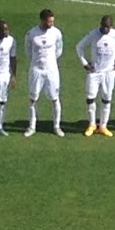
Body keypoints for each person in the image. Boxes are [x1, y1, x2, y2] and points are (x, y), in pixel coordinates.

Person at [76, 15, 115, 137]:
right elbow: (79, 47)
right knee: (90, 98)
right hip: (95, 72)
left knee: (106, 98)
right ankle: (92, 124)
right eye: (103, 26)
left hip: (109, 73)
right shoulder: (93, 34)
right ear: (100, 24)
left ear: (111, 26)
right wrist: (84, 63)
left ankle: (103, 126)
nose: (105, 29)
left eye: (107, 27)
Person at [23, 9, 64, 137]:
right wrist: (38, 62)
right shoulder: (31, 34)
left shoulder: (56, 33)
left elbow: (59, 50)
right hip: (36, 70)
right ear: (42, 20)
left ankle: (57, 126)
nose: (51, 24)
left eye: (52, 21)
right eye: (49, 21)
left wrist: (50, 62)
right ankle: (32, 126)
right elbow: (28, 51)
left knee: (55, 98)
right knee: (33, 99)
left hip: (52, 70)